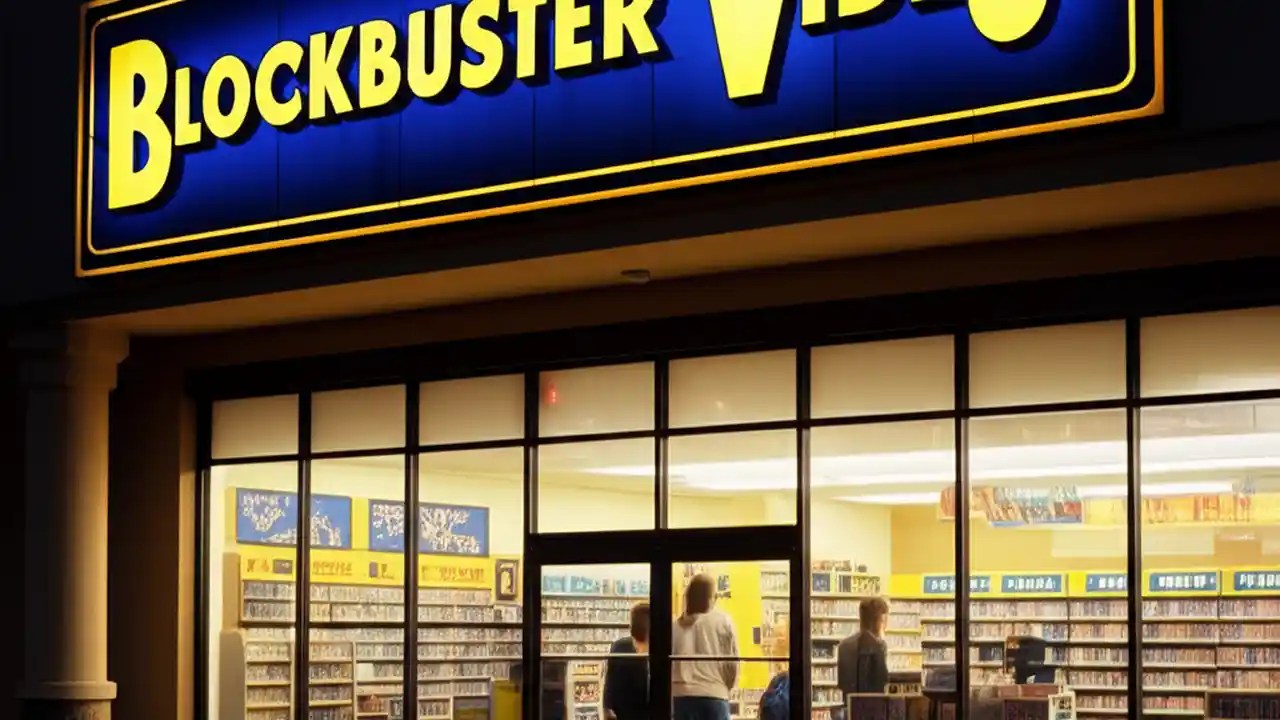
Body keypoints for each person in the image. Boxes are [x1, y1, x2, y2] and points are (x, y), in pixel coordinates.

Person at [672, 574, 739, 720]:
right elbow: (732, 663)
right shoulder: (722, 621)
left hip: (680, 697)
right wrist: (726, 686)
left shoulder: (674, 627)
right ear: (710, 598)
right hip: (714, 695)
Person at [604, 602, 650, 720]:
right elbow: (611, 680)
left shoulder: (619, 646)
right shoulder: (620, 646)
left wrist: (607, 707)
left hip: (626, 709)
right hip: (631, 709)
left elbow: (610, 681)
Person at [837, 597, 890, 697]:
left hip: (849, 704)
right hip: (871, 706)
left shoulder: (843, 646)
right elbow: (881, 682)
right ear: (878, 621)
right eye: (884, 620)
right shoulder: (879, 646)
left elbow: (841, 684)